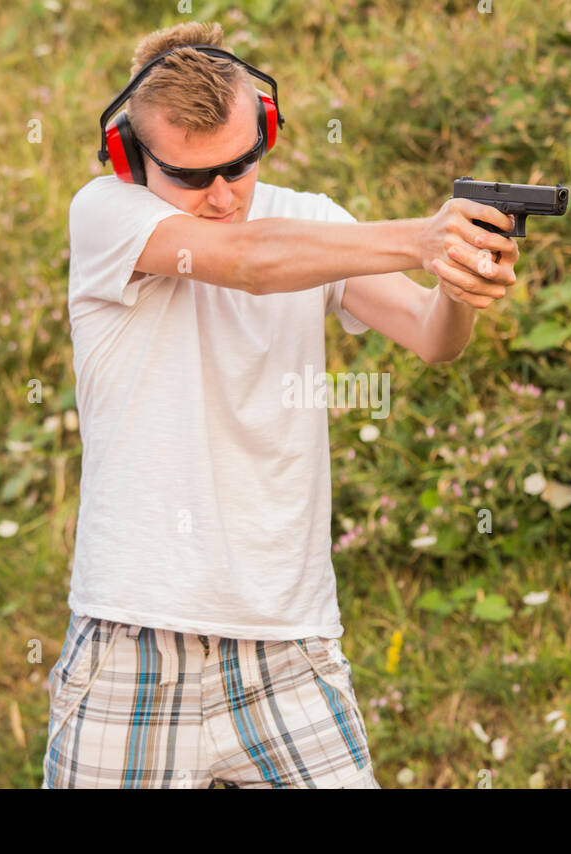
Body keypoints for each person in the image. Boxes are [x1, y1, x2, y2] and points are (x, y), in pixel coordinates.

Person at [42, 21, 520, 789]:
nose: (223, 194)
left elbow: (432, 339)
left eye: (239, 163)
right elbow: (250, 263)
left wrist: (458, 280)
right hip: (134, 636)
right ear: (131, 157)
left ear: (264, 130)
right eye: (194, 177)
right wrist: (423, 236)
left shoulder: (318, 226)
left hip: (289, 642)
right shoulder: (104, 213)